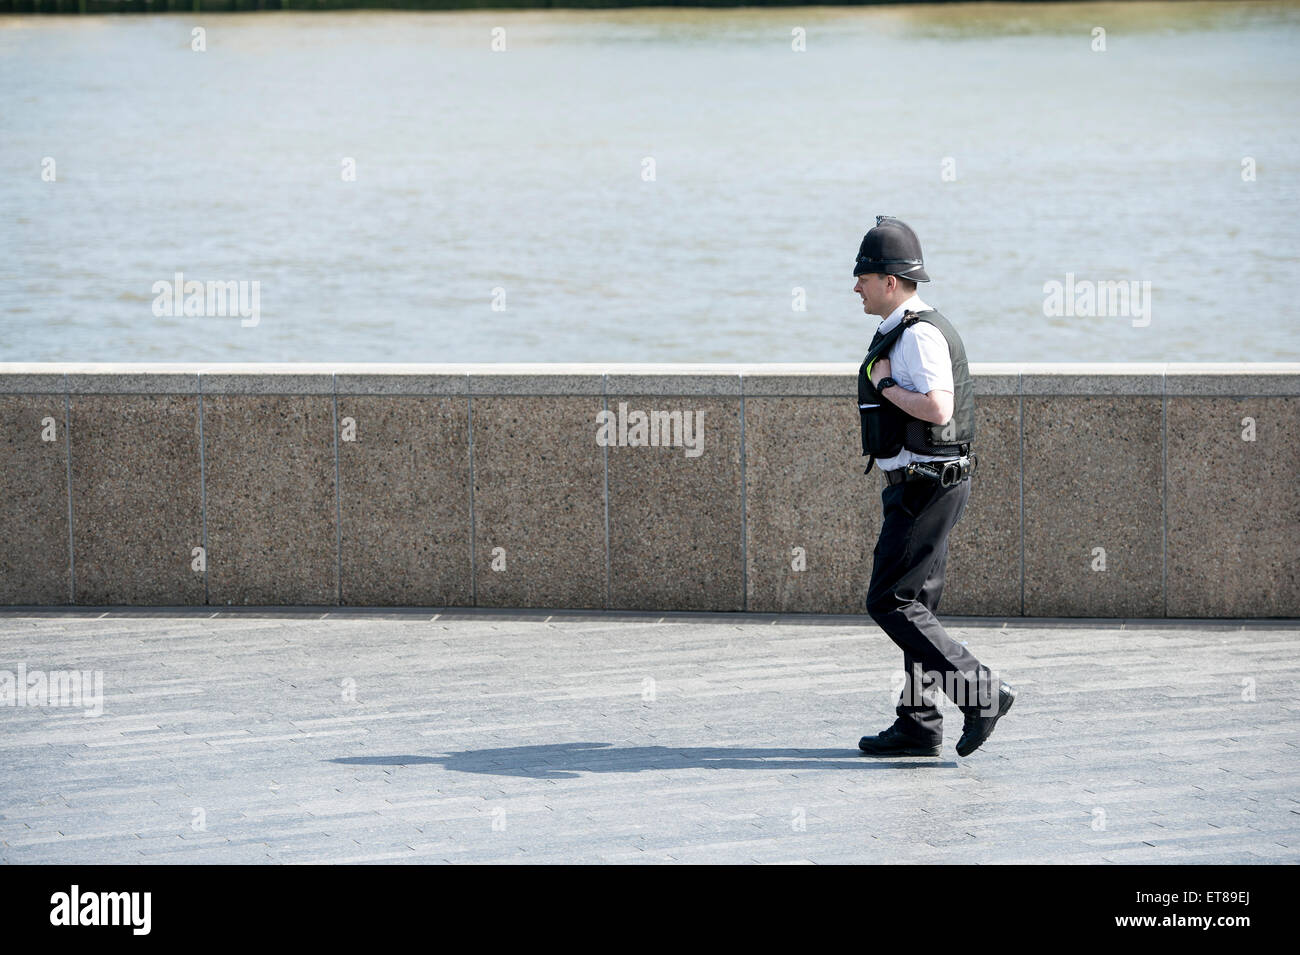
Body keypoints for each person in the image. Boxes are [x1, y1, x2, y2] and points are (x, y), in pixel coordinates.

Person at [852, 216, 1014, 758]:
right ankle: (918, 724)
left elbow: (938, 408)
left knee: (890, 601)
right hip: (930, 482)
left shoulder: (918, 334)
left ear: (889, 281)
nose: (856, 288)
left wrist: (884, 385)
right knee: (917, 603)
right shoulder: (905, 328)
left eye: (863, 278)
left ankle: (981, 692)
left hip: (925, 486)